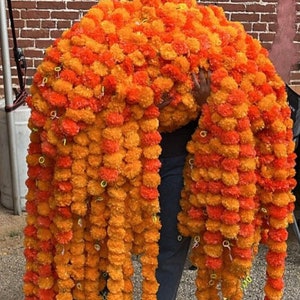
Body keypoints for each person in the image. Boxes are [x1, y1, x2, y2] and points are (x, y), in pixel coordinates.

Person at [156, 70, 211, 299]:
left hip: (178, 161)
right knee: (106, 242)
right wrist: (141, 105)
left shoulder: (211, 41)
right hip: (125, 157)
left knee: (171, 244)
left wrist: (207, 101)